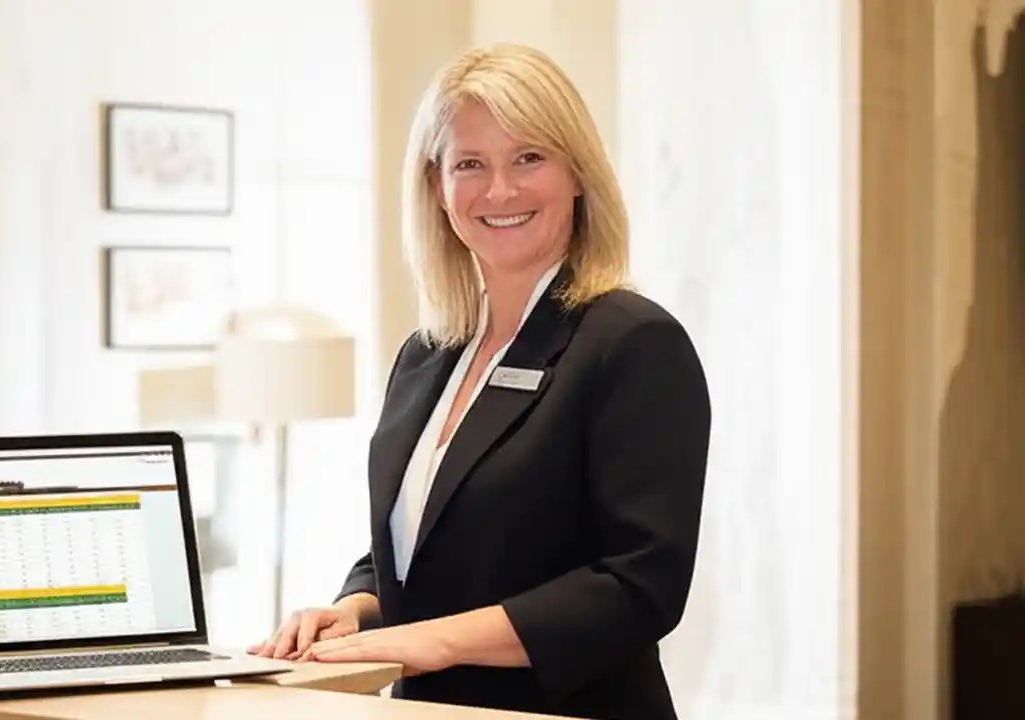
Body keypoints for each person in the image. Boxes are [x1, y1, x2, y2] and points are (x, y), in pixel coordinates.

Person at [248, 43, 711, 720]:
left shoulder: (631, 343)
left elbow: (640, 585)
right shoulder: (427, 355)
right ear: (437, 187)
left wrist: (429, 642)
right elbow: (424, 542)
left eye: (529, 158)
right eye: (470, 164)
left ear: (579, 173)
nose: (499, 190)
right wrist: (355, 608)